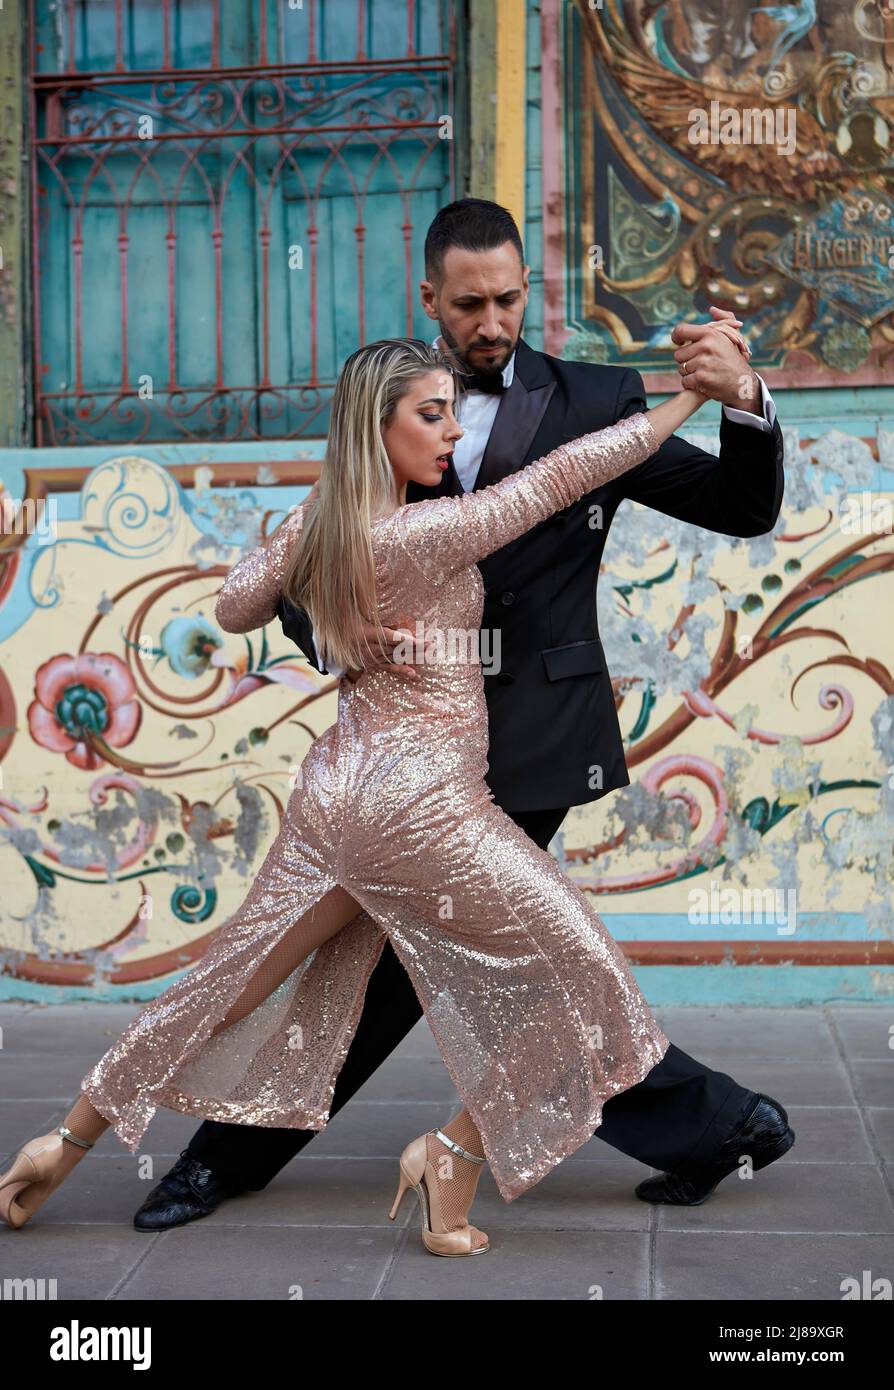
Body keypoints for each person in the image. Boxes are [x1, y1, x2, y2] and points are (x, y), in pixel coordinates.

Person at [1, 333, 747, 1257]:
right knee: (593, 991)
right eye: (429, 416)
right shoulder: (426, 531)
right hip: (420, 809)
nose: (449, 433)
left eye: (450, 411)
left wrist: (332, 601)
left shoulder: (327, 525)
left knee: (226, 981)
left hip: (333, 799)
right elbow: (565, 476)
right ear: (376, 426)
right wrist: (685, 401)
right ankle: (451, 1156)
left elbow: (234, 606)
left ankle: (57, 1146)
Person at [147, 200, 793, 1232]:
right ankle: (722, 1122)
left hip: (533, 737)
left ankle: (217, 1163)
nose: (492, 322)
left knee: (396, 969)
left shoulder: (597, 400)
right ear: (429, 299)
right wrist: (337, 649)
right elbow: (327, 558)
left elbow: (742, 507)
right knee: (491, 968)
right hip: (402, 746)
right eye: (468, 304)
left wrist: (748, 399)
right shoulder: (392, 403)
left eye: (507, 299)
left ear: (524, 289)